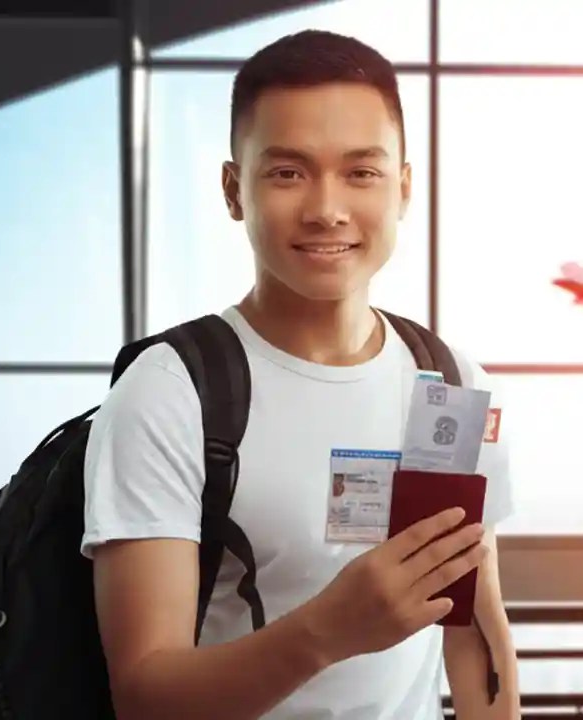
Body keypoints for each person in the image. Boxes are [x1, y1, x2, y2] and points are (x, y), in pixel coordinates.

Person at [80, 28, 521, 720]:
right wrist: (327, 631)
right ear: (234, 190)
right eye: (288, 172)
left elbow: (473, 629)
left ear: (403, 188)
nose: (326, 208)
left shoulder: (449, 379)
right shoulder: (171, 391)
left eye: (361, 172)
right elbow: (144, 696)